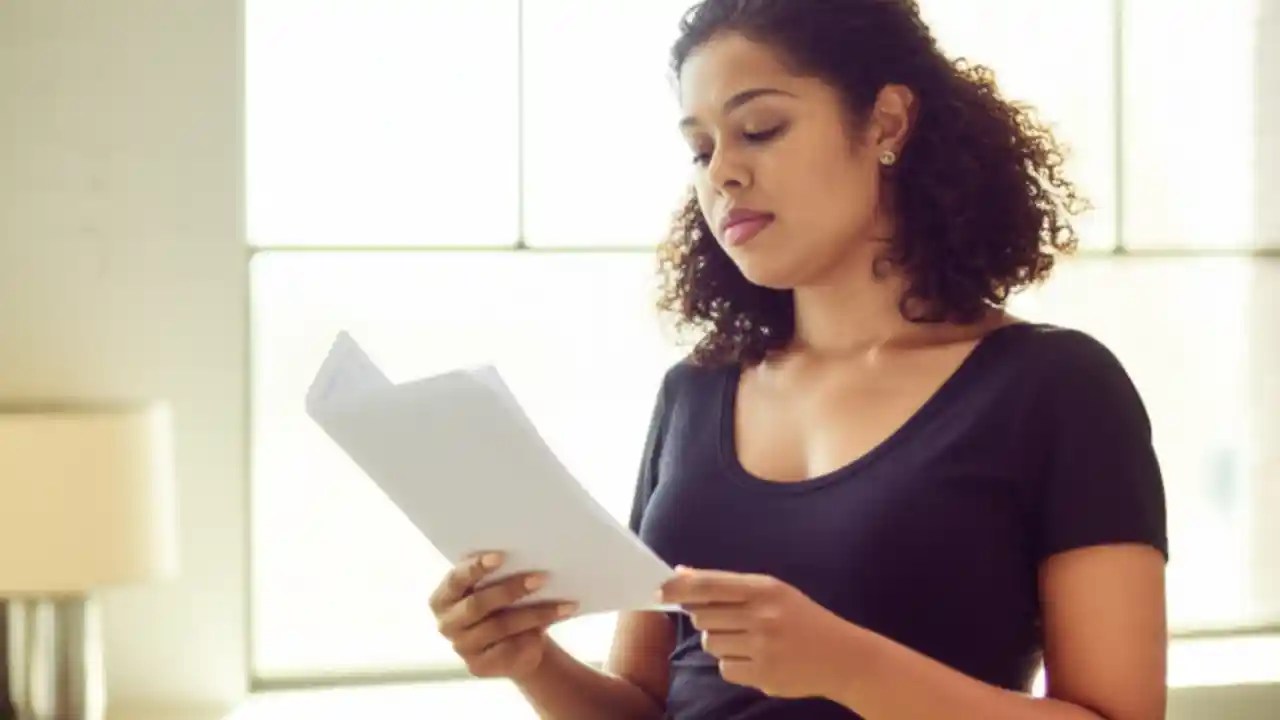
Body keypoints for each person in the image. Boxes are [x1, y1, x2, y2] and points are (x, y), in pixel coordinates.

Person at [428, 0, 1169, 718]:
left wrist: (850, 667)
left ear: (887, 122)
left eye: (760, 128)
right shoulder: (695, 392)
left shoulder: (1056, 389)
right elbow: (645, 704)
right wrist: (533, 663)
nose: (722, 172)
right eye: (701, 147)